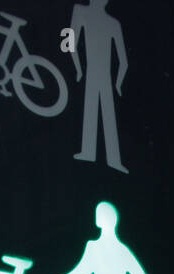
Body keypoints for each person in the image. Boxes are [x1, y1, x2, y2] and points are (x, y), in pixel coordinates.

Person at [67, 0, 128, 173]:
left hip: (99, 73)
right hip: (95, 72)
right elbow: (70, 43)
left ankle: (110, 158)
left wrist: (118, 82)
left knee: (103, 113)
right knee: (96, 111)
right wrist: (77, 68)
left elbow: (123, 59)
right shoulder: (81, 12)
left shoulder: (112, 23)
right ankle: (95, 154)